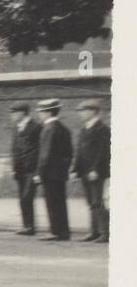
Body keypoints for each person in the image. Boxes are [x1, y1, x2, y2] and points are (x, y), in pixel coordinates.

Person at [34, 98, 73, 241]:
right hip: (60, 173)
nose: (39, 115)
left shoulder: (48, 129)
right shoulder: (63, 128)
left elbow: (45, 154)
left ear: (49, 113)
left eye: (42, 112)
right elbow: (69, 153)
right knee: (60, 202)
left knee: (52, 203)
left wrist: (39, 173)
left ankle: (55, 231)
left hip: (49, 174)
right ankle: (63, 232)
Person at [73, 99, 109, 243]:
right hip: (85, 172)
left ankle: (105, 233)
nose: (81, 114)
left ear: (93, 111)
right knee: (91, 202)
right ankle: (94, 232)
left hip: (97, 173)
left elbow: (103, 152)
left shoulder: (102, 129)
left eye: (83, 111)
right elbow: (80, 152)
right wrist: (75, 169)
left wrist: (96, 169)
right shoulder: (84, 129)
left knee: (98, 202)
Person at [9, 101, 41, 236]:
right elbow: (14, 149)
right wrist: (14, 168)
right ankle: (26, 225)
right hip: (20, 169)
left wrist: (38, 171)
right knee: (22, 197)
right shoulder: (17, 128)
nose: (12, 116)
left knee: (27, 197)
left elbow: (40, 149)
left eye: (14, 113)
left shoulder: (36, 127)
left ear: (22, 113)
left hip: (32, 169)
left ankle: (30, 226)